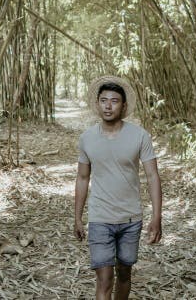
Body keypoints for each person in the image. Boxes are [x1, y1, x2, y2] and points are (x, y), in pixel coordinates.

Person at [74, 76, 162, 300]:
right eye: (103, 100)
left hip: (130, 218)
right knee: (104, 279)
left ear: (123, 106)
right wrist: (77, 216)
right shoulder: (87, 138)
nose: (108, 105)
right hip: (99, 217)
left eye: (114, 101)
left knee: (124, 273)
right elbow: (82, 178)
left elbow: (152, 176)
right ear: (97, 104)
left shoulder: (139, 136)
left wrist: (156, 217)